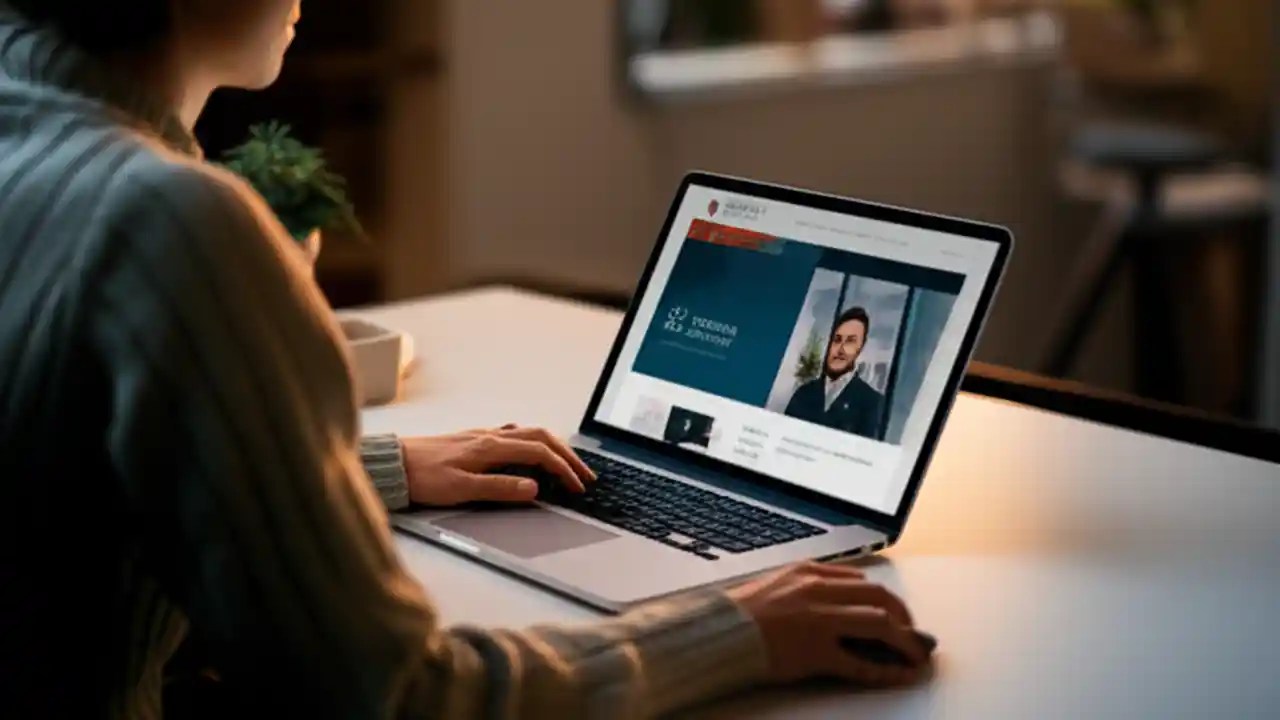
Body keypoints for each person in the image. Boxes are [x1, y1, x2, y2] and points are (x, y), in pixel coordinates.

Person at [0, 1, 931, 716]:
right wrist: (738, 628)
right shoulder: (167, 223)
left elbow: (70, 471)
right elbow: (400, 695)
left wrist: (374, 470)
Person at [785, 307, 886, 440]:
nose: (841, 349)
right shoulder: (803, 393)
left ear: (861, 347)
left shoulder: (873, 403)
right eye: (837, 340)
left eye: (850, 341)